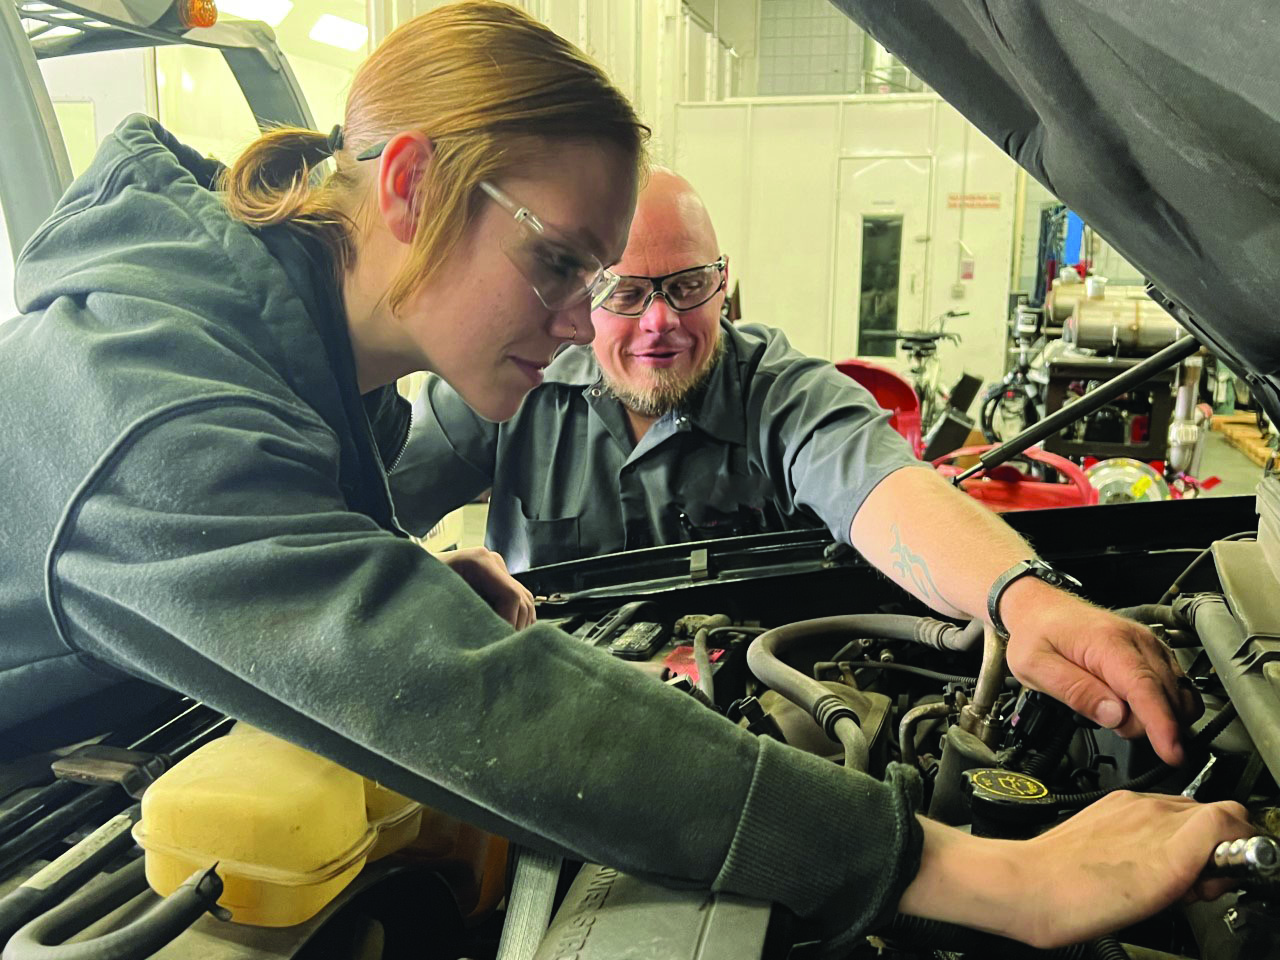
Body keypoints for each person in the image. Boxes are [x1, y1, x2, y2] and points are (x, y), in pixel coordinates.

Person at [0, 1, 1251, 950]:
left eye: (663, 283)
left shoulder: (308, 356)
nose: (590, 324)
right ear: (407, 184)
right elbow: (469, 703)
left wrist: (1020, 598)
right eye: (569, 270)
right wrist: (980, 874)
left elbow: (870, 477)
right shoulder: (145, 397)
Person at [392, 167, 1200, 768]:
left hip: (750, 735)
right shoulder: (513, 380)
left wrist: (1022, 599)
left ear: (725, 284)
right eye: (627, 292)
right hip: (541, 727)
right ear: (582, 293)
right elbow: (356, 508)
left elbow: (884, 489)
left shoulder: (781, 393)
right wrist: (414, 575)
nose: (661, 323)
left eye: (688, 285)